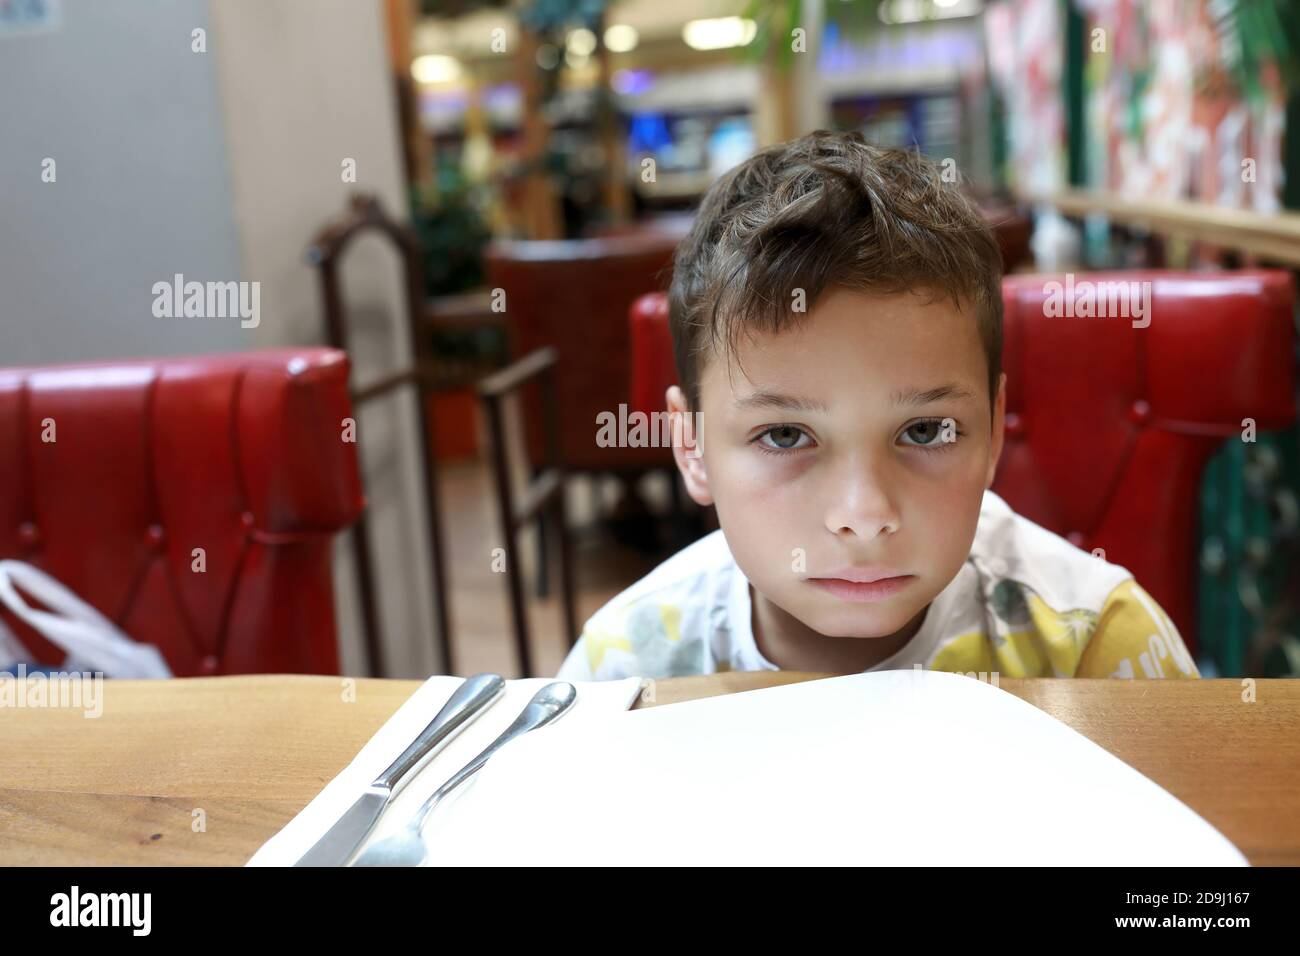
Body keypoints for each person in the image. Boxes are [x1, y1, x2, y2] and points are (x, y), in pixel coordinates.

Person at [557, 130, 1198, 682]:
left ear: (995, 429)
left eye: (924, 429)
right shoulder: (626, 672)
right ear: (691, 446)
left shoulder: (1099, 651)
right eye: (783, 435)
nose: (864, 516)